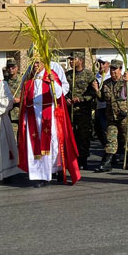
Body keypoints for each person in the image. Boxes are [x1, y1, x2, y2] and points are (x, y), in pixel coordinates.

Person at [18, 59, 81, 187]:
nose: (35, 65)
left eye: (37, 62)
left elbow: (59, 94)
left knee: (51, 144)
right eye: (33, 63)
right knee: (34, 144)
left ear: (43, 62)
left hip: (47, 114)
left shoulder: (51, 74)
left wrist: (53, 82)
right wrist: (24, 117)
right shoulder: (29, 78)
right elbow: (25, 98)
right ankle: (39, 174)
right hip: (32, 115)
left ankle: (50, 173)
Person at [95, 60, 128, 173]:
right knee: (110, 139)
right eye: (111, 69)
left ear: (120, 70)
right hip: (111, 116)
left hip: (124, 115)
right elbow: (102, 98)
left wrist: (127, 83)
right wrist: (97, 89)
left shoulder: (126, 81)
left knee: (127, 138)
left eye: (115, 69)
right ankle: (107, 162)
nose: (112, 71)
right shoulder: (106, 83)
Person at [66, 51, 100, 169]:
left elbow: (93, 92)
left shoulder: (89, 75)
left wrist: (81, 99)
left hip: (83, 111)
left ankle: (83, 159)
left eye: (73, 59)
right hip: (70, 111)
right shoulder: (68, 75)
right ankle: (73, 158)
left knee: (83, 135)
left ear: (80, 60)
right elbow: (63, 90)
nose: (70, 62)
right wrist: (66, 99)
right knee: (71, 135)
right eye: (70, 60)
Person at [94, 57, 112, 152]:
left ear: (108, 64)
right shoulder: (96, 76)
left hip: (109, 107)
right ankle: (107, 148)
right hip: (99, 107)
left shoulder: (111, 76)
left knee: (107, 131)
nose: (101, 65)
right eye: (99, 63)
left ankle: (111, 152)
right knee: (98, 130)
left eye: (103, 63)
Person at [5, 59, 23, 136]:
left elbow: (29, 95)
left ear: (17, 68)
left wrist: (20, 100)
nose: (11, 69)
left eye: (13, 67)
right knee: (13, 139)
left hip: (22, 112)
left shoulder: (23, 80)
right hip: (10, 115)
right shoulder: (4, 82)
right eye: (9, 67)